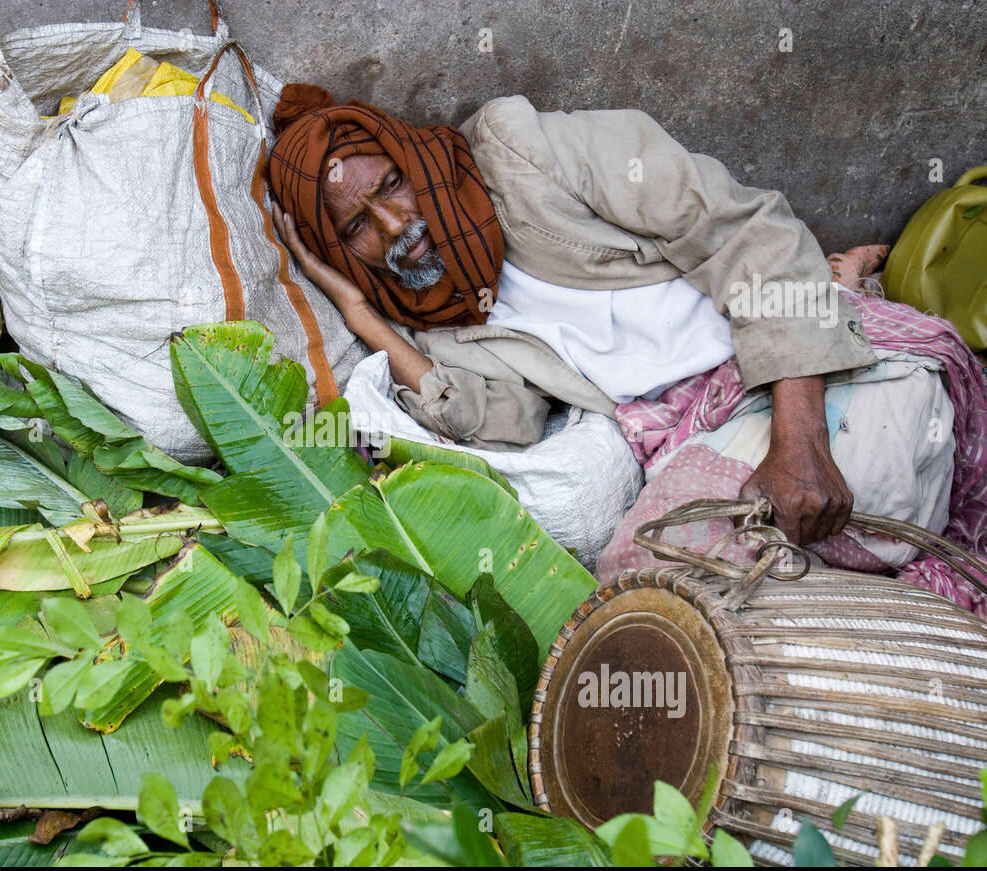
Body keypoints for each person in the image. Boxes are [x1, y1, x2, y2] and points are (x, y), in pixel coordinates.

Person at [265, 84, 987, 617]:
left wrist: (801, 438)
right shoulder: (429, 315)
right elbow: (507, 417)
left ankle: (849, 290)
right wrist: (366, 319)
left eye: (391, 185)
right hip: (696, 425)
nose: (395, 226)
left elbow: (747, 232)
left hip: (788, 358)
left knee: (870, 492)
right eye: (356, 226)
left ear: (410, 155)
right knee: (647, 594)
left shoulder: (524, 152)